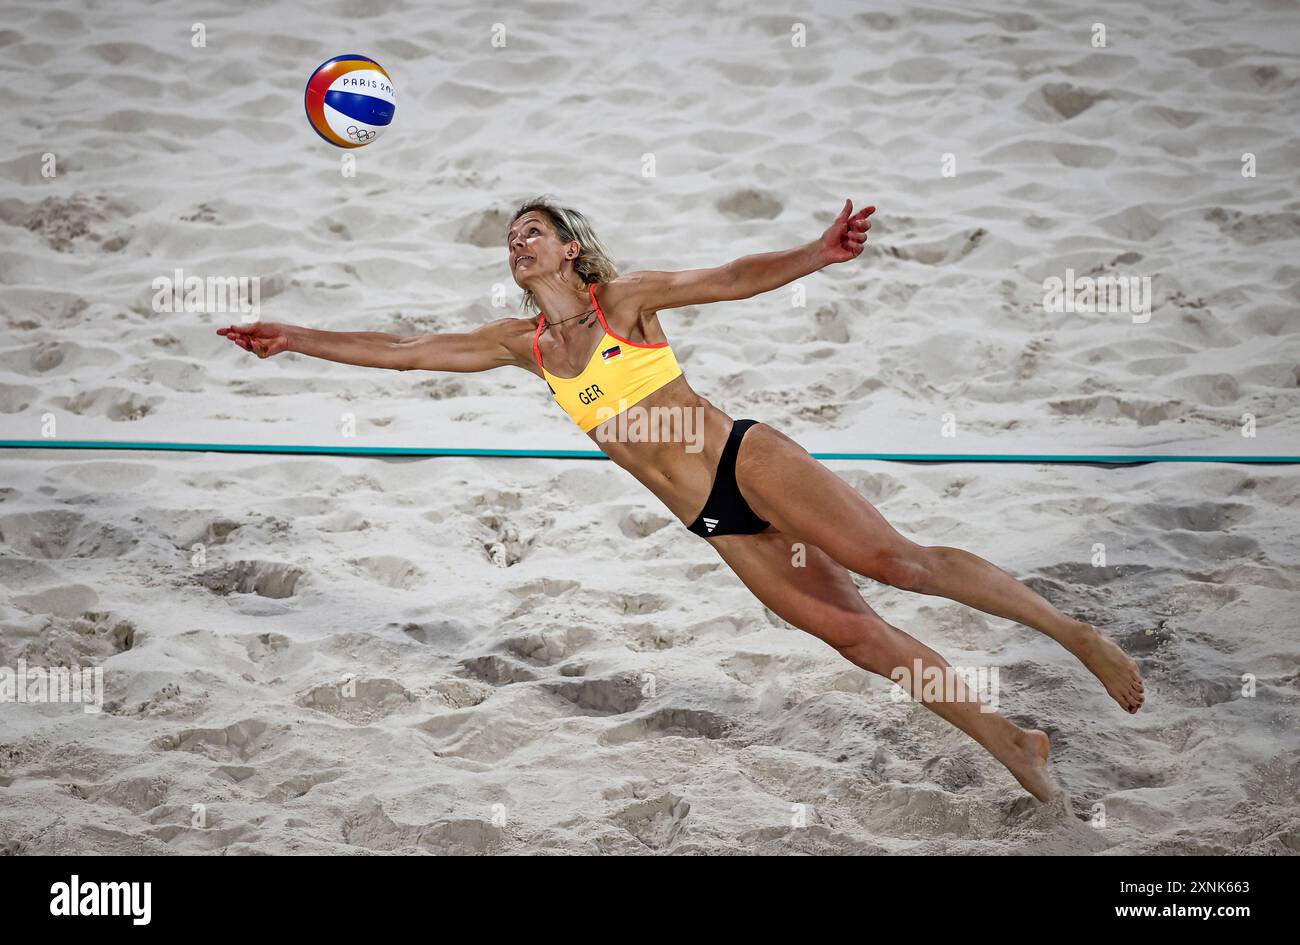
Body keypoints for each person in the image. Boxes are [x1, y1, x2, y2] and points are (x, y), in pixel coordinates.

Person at [218, 194, 1145, 800]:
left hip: (747, 462)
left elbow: (733, 279)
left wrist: (817, 253)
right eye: (510, 237)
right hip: (716, 523)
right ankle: (1015, 743)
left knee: (897, 564)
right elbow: (408, 350)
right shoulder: (523, 344)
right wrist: (293, 336)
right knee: (861, 637)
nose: (517, 241)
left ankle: (1077, 635)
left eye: (532, 230)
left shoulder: (625, 301)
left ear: (571, 248)